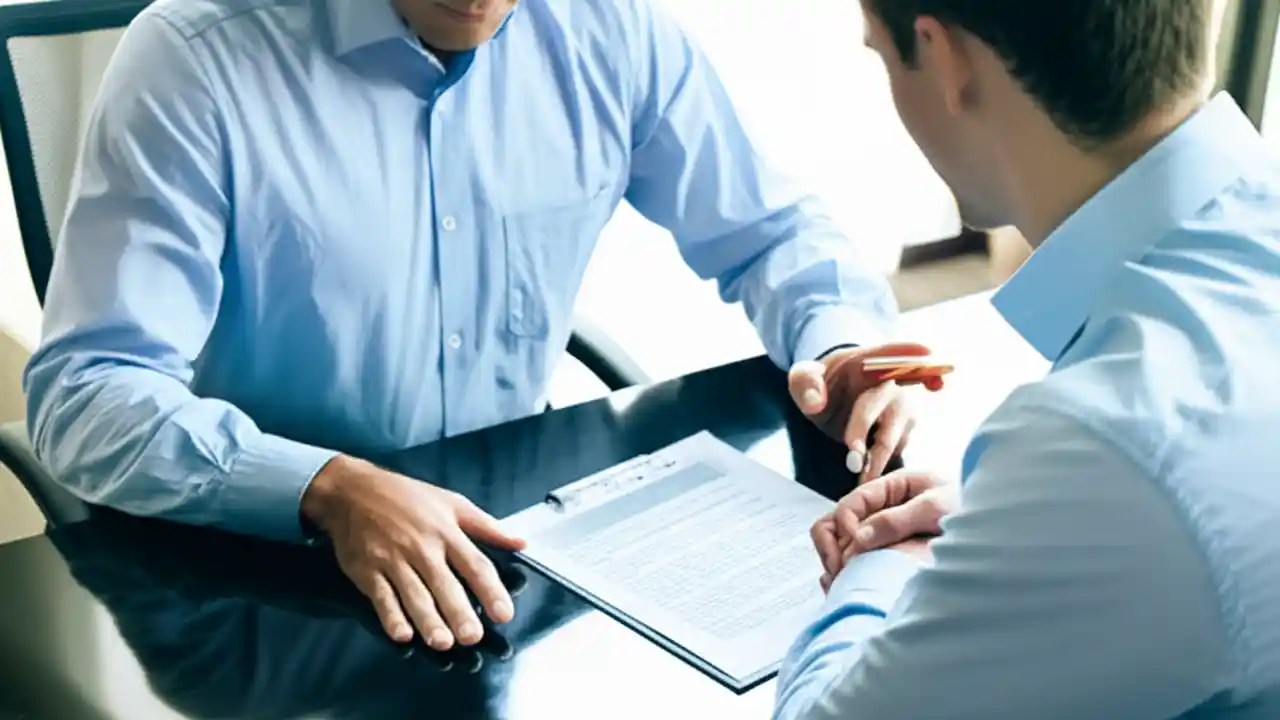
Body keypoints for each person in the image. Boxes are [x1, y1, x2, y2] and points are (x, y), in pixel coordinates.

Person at [23, 0, 931, 656]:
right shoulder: (193, 58)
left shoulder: (608, 31)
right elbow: (85, 391)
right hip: (260, 581)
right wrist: (327, 487)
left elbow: (773, 231)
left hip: (505, 561)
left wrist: (838, 342)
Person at [775, 1, 1280, 718]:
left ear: (945, 60)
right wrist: (1015, 542)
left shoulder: (1111, 449)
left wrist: (885, 567)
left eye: (881, 56)